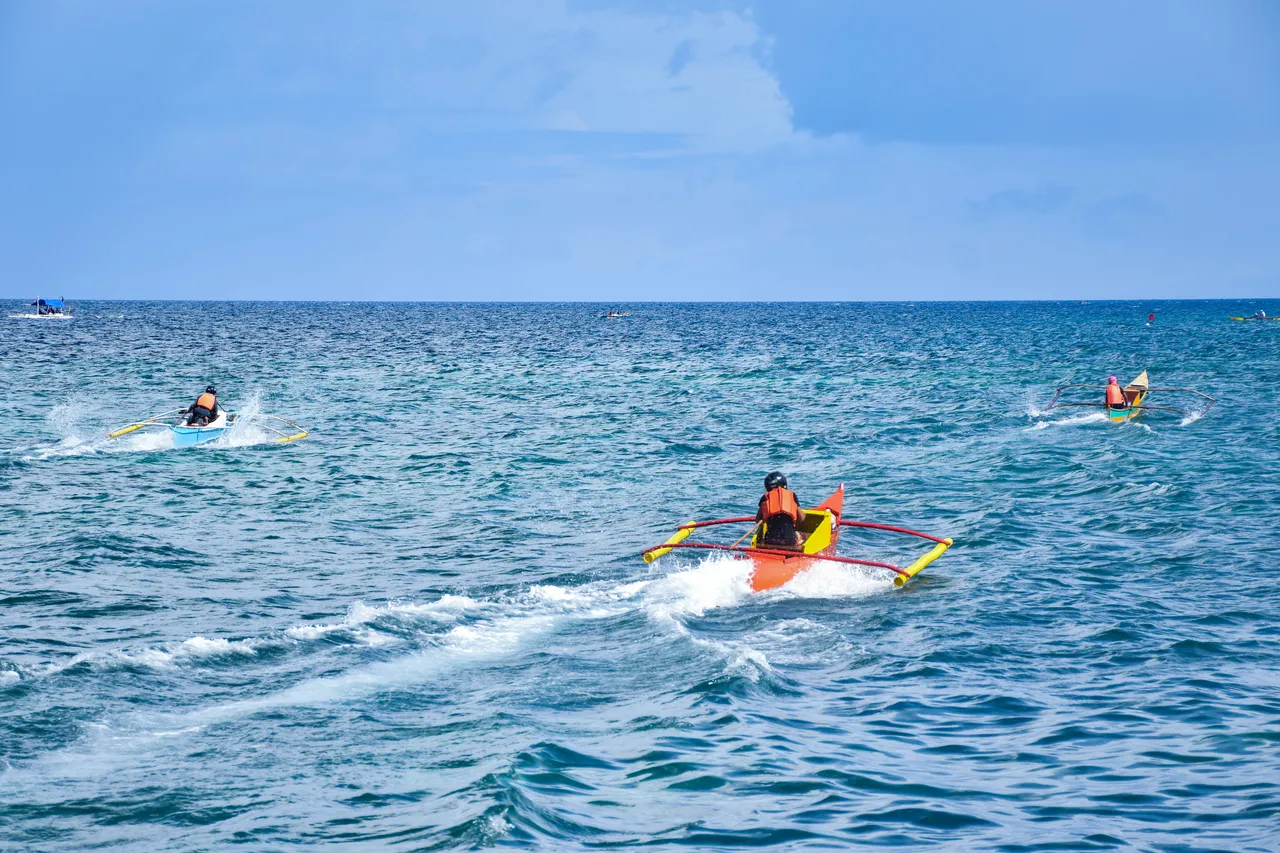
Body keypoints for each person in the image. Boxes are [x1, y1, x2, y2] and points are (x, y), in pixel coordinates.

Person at [756, 471, 805, 549]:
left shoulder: (765, 497)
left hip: (770, 540)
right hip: (789, 541)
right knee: (803, 535)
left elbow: (758, 520)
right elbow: (802, 518)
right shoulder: (792, 495)